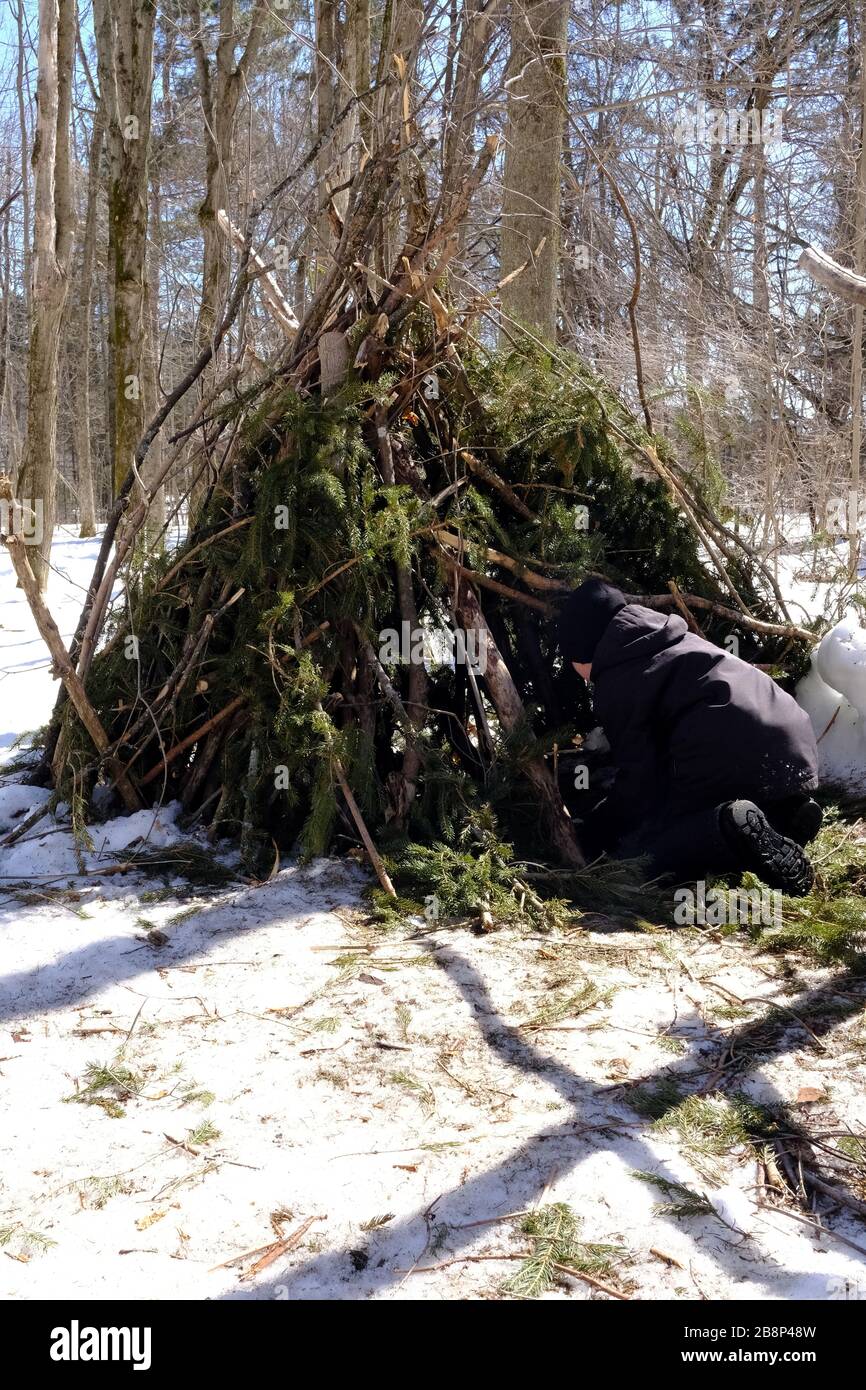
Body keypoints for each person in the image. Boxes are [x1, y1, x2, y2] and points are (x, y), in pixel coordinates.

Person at [557, 578, 822, 895]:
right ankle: (787, 812)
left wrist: (600, 829)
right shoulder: (669, 638)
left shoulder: (616, 677)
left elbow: (641, 783)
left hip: (730, 758)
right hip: (793, 745)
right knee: (712, 786)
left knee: (645, 854)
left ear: (583, 650)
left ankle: (725, 828)